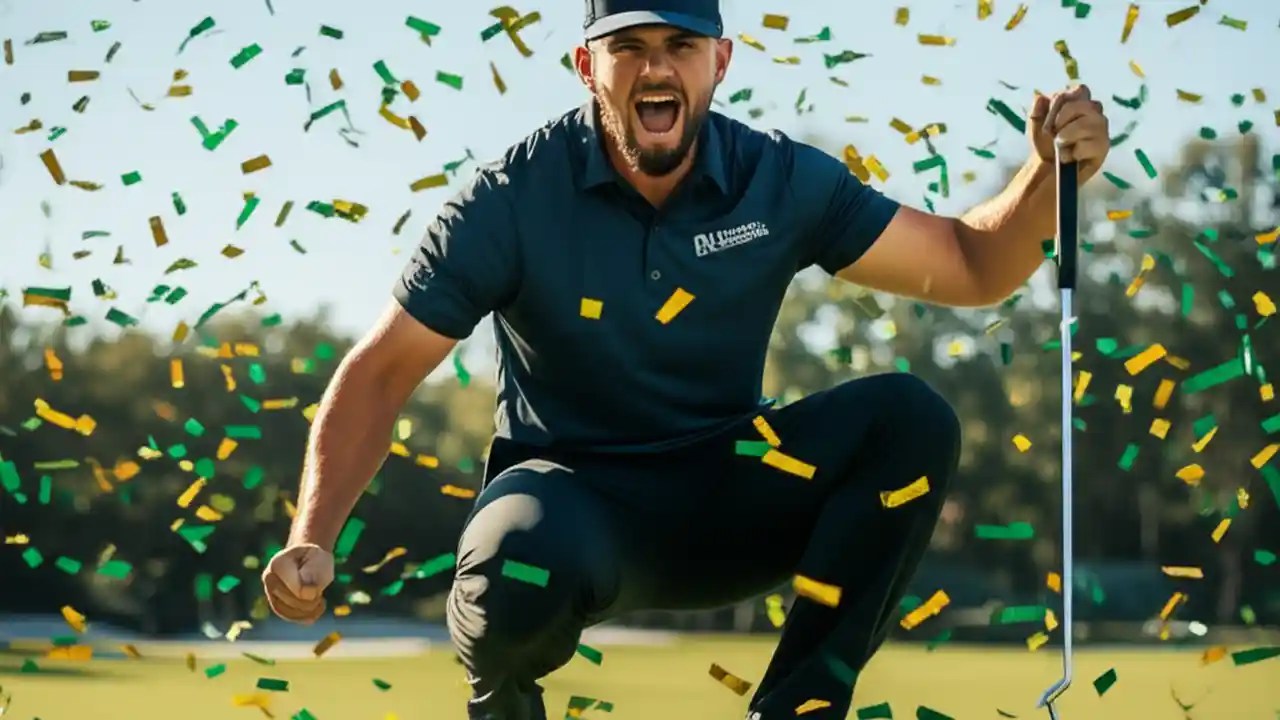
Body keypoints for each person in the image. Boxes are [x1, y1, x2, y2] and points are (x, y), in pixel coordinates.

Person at [261, 0, 1111, 717]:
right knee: (508, 566)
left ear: (720, 62)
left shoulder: (776, 179)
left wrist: (1048, 177)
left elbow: (971, 264)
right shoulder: (510, 198)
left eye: (680, 45)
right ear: (586, 67)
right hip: (570, 507)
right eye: (627, 46)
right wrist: (312, 537)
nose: (655, 67)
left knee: (909, 420)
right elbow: (381, 371)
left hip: (730, 491)